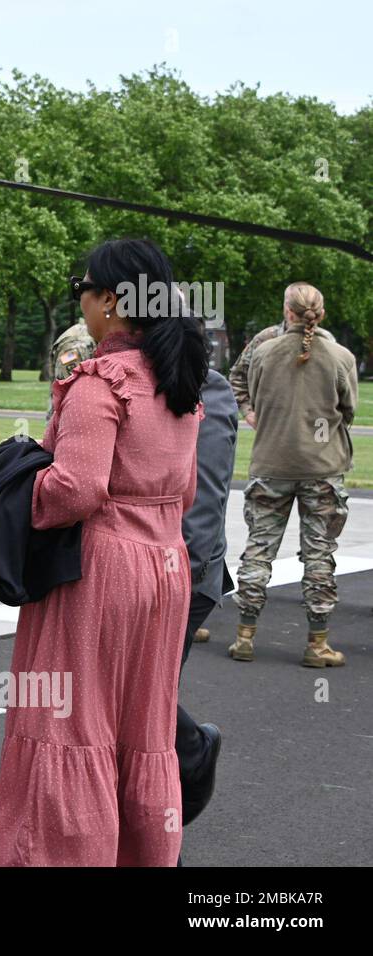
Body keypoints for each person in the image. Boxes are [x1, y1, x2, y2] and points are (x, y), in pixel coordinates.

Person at [0, 239, 207, 867]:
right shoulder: (179, 383)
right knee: (143, 728)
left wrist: (22, 489)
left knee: (68, 723)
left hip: (98, 571)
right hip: (165, 566)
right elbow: (182, 492)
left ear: (109, 299)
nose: (79, 295)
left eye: (83, 283)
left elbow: (77, 488)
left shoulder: (99, 381)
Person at [229, 282, 358, 667]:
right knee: (319, 555)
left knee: (258, 549)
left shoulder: (264, 352)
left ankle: (244, 636)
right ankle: (317, 644)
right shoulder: (340, 356)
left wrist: (260, 416)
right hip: (322, 467)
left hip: (271, 463)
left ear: (287, 311)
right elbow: (347, 410)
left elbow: (248, 388)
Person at [175, 359, 236, 831]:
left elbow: (205, 501)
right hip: (133, 569)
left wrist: (176, 579)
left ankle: (193, 749)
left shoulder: (205, 389)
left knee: (144, 697)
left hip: (184, 577)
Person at [228, 314, 333, 428]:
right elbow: (238, 375)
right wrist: (247, 412)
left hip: (315, 426)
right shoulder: (266, 338)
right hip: (274, 426)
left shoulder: (326, 339)